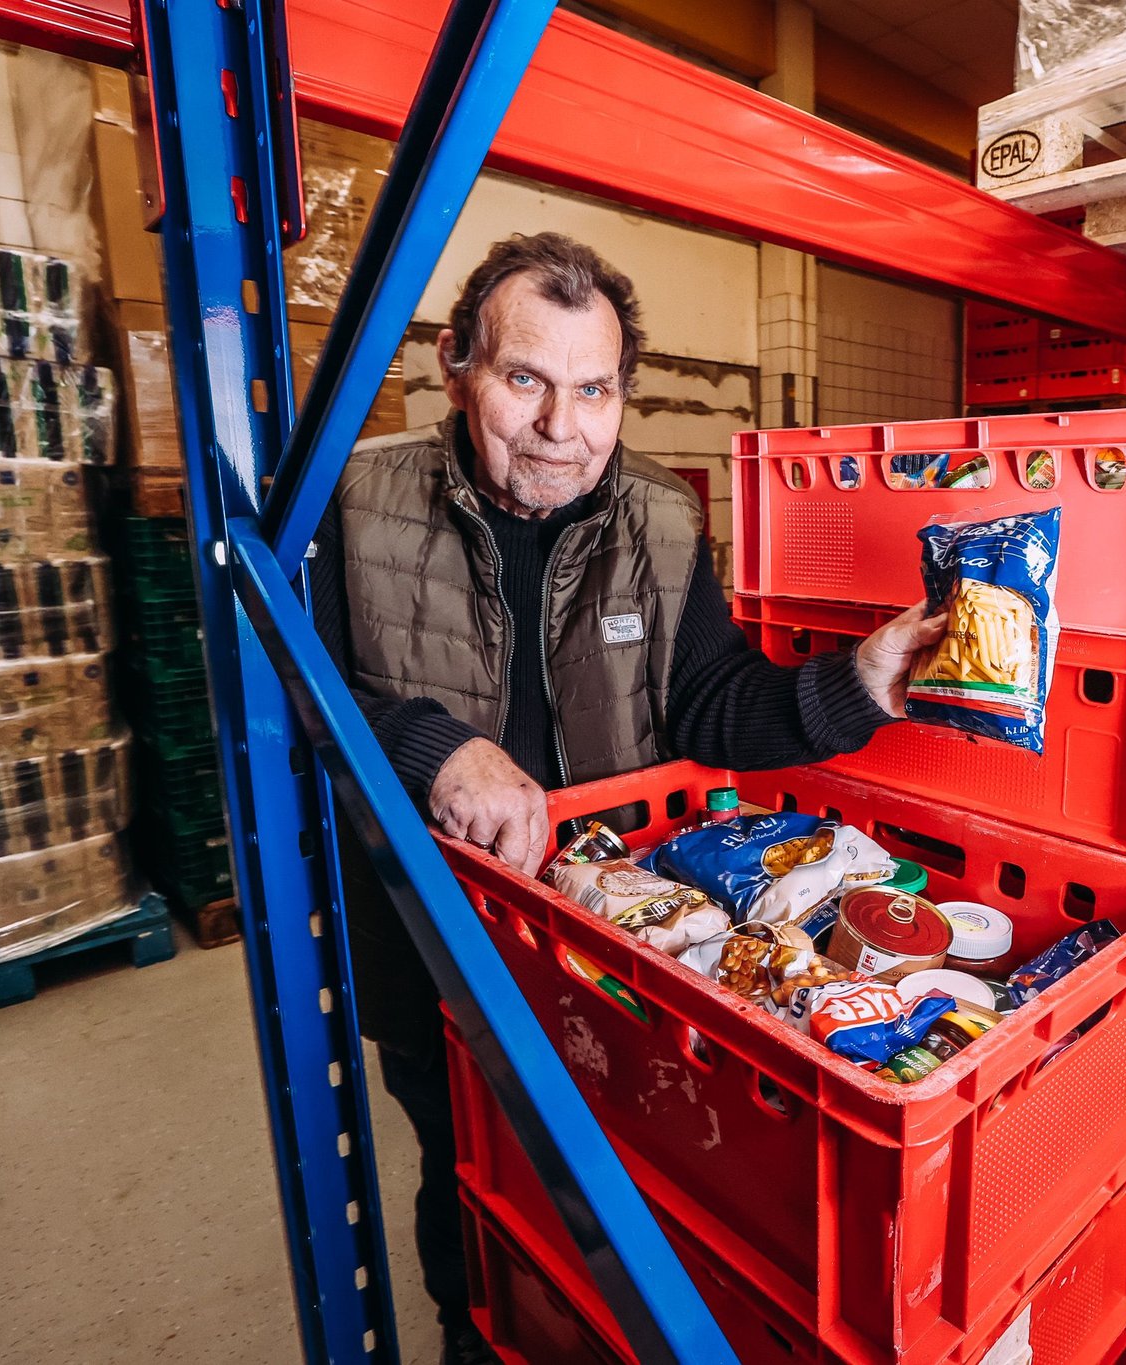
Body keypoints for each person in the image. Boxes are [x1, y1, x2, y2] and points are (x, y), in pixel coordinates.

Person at [312, 231, 942, 1364]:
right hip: (434, 939)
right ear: (456, 366)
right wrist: (429, 749)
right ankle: (476, 1333)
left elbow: (710, 703)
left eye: (595, 389)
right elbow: (283, 697)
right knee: (471, 1172)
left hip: (612, 939)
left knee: (629, 1176)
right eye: (525, 379)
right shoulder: (352, 501)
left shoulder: (660, 517)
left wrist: (855, 684)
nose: (562, 426)